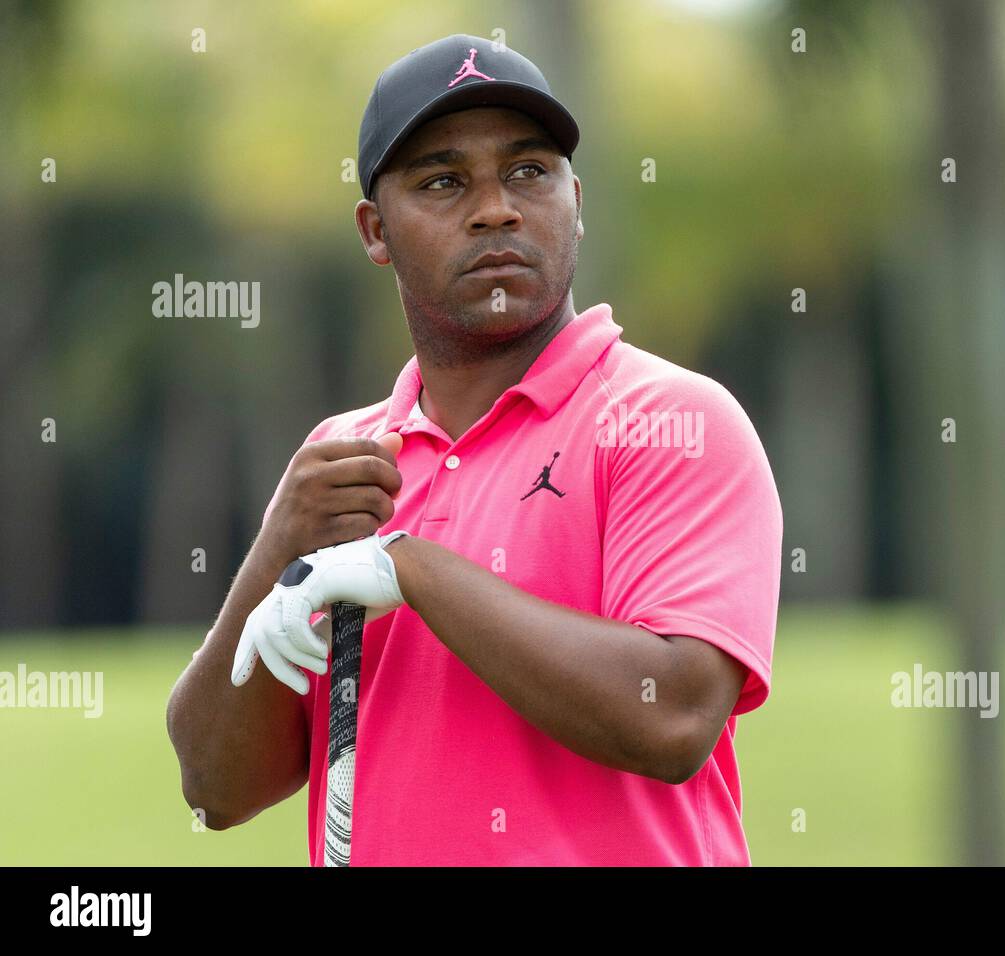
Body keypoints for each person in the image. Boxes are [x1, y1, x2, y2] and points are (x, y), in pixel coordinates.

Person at [166, 33, 782, 866]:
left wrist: (411, 569)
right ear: (375, 231)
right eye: (444, 181)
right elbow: (216, 786)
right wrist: (281, 545)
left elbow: (671, 717)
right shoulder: (344, 460)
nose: (496, 207)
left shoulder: (672, 419)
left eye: (529, 171)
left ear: (577, 198)